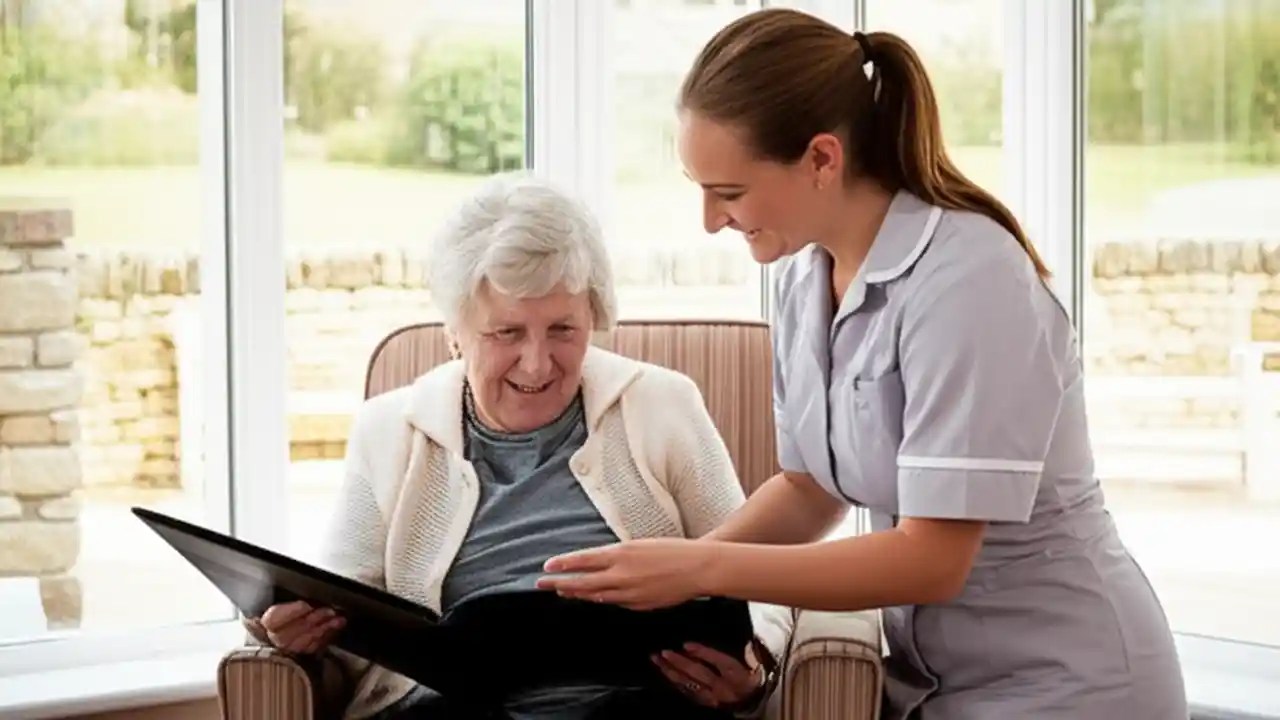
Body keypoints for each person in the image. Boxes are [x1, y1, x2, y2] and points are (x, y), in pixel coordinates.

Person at [537, 9, 1188, 720]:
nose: (710, 220)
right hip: (931, 684)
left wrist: (700, 566)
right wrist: (677, 590)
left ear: (822, 159)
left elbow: (932, 558)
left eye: (728, 192)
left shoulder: (970, 279)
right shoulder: (800, 277)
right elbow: (812, 487)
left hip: (1072, 684)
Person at [246, 174, 792, 720]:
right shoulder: (389, 431)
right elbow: (342, 612)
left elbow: (758, 577)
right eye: (505, 333)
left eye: (562, 329)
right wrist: (294, 631)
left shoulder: (662, 405)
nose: (536, 362)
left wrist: (752, 672)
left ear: (594, 320)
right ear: (454, 331)